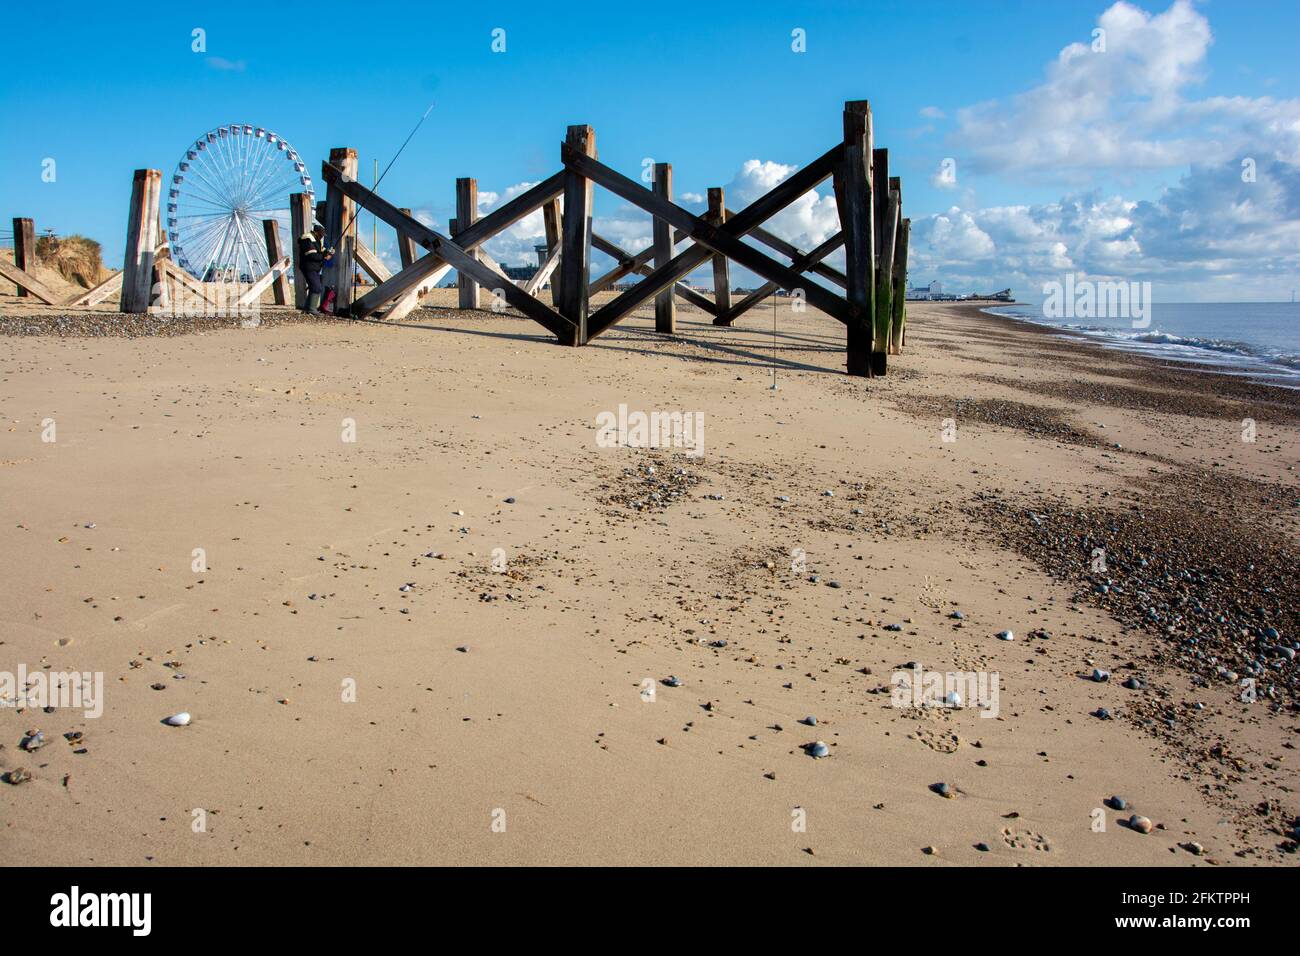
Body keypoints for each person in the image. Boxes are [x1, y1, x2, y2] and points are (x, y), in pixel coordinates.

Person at [298, 225, 333, 314]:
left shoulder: (315, 240)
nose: (322, 237)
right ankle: (311, 309)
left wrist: (328, 252)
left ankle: (307, 309)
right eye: (321, 235)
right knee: (316, 287)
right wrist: (324, 257)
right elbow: (311, 255)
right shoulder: (307, 239)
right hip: (309, 267)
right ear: (316, 233)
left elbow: (320, 250)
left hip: (313, 267)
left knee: (314, 287)